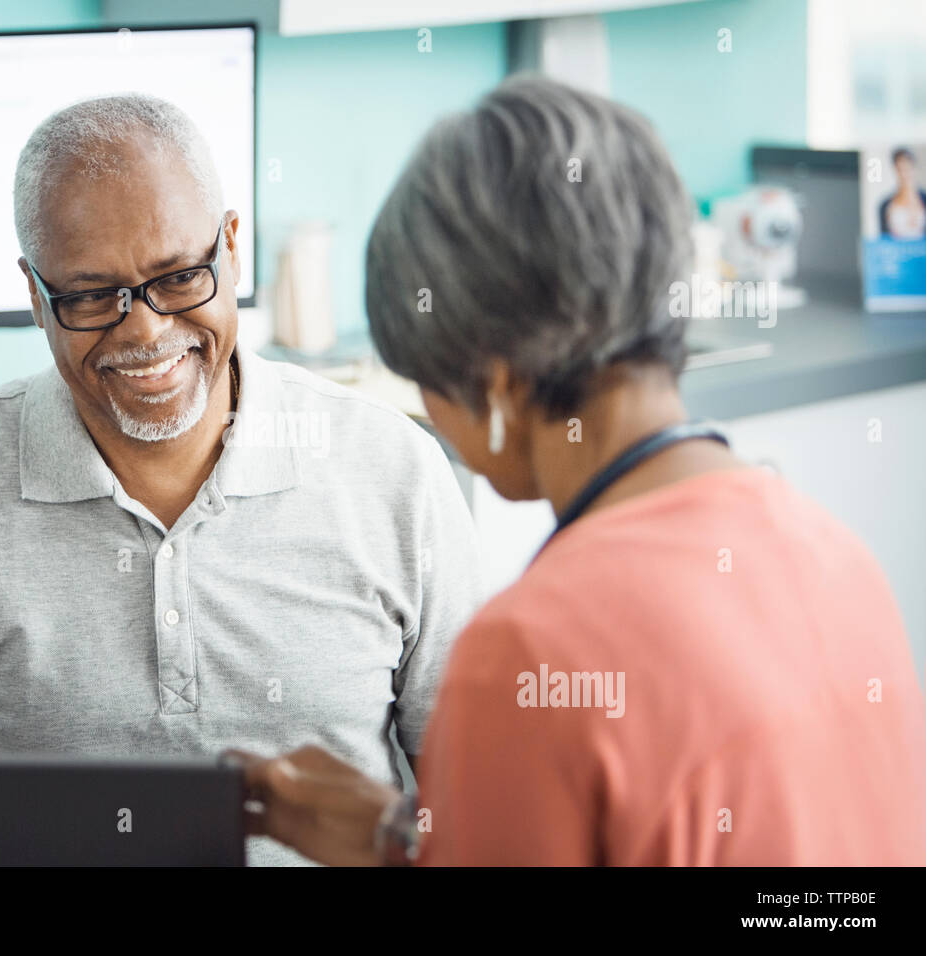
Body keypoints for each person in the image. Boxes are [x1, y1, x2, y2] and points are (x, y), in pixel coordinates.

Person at [233, 75, 926, 866]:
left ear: (495, 383)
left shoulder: (528, 660)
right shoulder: (841, 561)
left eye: (421, 382)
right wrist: (409, 838)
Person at [0, 94, 482, 866]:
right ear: (34, 295)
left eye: (180, 276)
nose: (145, 330)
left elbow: (489, 832)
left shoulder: (396, 474)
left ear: (230, 246)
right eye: (92, 297)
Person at [878, 147, 926, 240]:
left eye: (908, 167)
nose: (905, 173)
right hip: (896, 252)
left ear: (914, 168)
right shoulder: (885, 204)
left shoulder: (924, 199)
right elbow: (883, 239)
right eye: (900, 169)